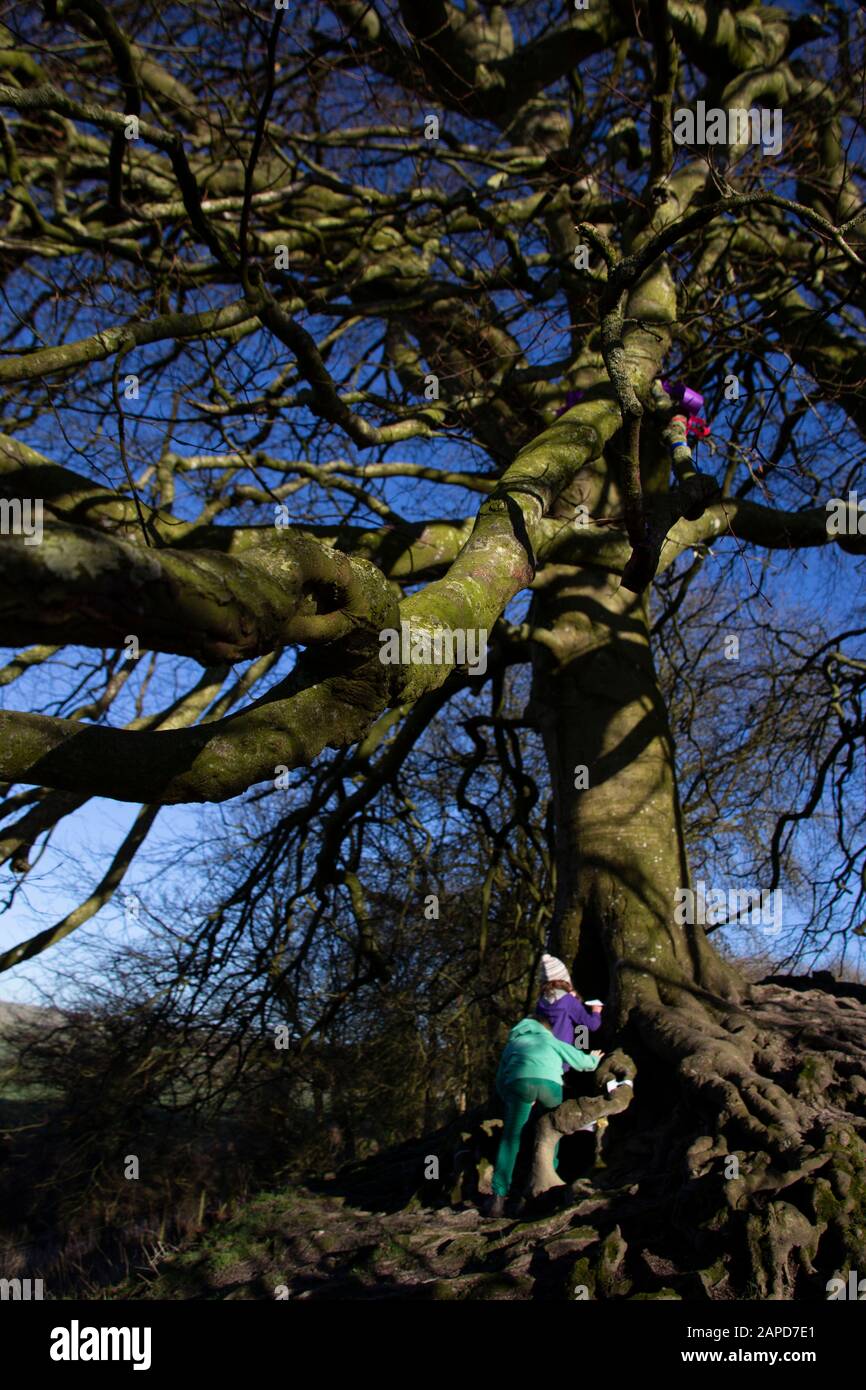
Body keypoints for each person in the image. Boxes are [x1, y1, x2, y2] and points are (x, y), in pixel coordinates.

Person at [486, 1013, 603, 1217]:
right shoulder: (549, 1039)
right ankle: (545, 1186)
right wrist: (593, 1059)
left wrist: (511, 1098)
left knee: (511, 1139)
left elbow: (500, 1080)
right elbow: (580, 1061)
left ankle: (498, 1197)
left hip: (520, 1085)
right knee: (551, 1133)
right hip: (550, 1086)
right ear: (545, 1028)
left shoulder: (514, 1043)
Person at [535, 953, 603, 1073]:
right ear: (564, 978)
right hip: (566, 1058)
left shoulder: (541, 1003)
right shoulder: (568, 1001)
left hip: (545, 1057)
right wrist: (596, 1011)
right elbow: (592, 1025)